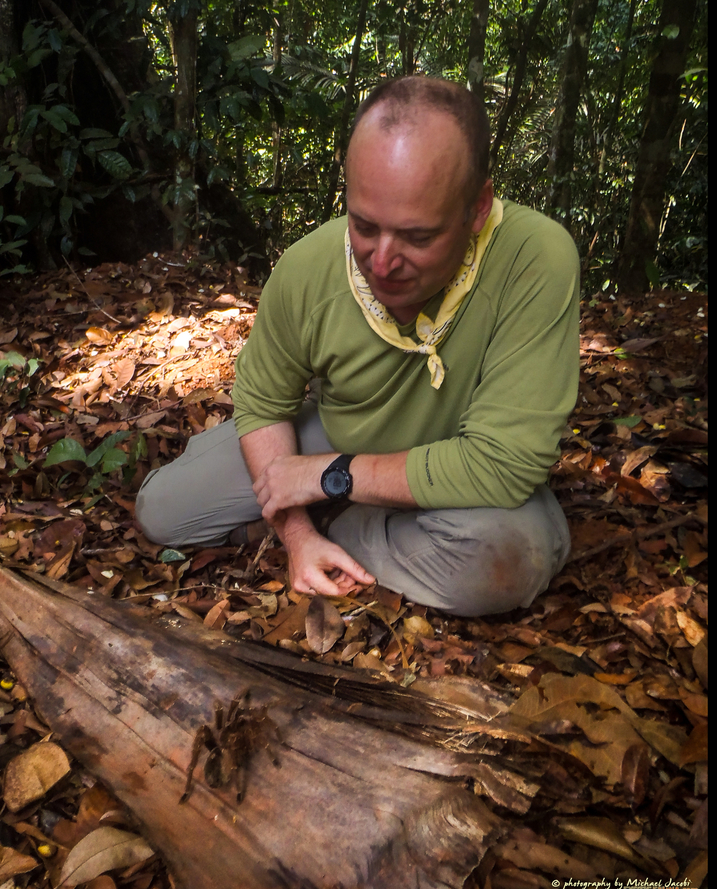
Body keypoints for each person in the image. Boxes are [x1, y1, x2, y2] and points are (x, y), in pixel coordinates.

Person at [136, 76, 580, 616]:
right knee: (165, 513)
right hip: (344, 427)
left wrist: (327, 478)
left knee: (499, 563)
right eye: (364, 226)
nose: (383, 261)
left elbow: (503, 462)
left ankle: (346, 519)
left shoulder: (535, 259)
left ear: (478, 207)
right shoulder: (308, 268)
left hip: (467, 456)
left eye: (418, 237)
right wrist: (296, 531)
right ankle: (347, 527)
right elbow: (263, 404)